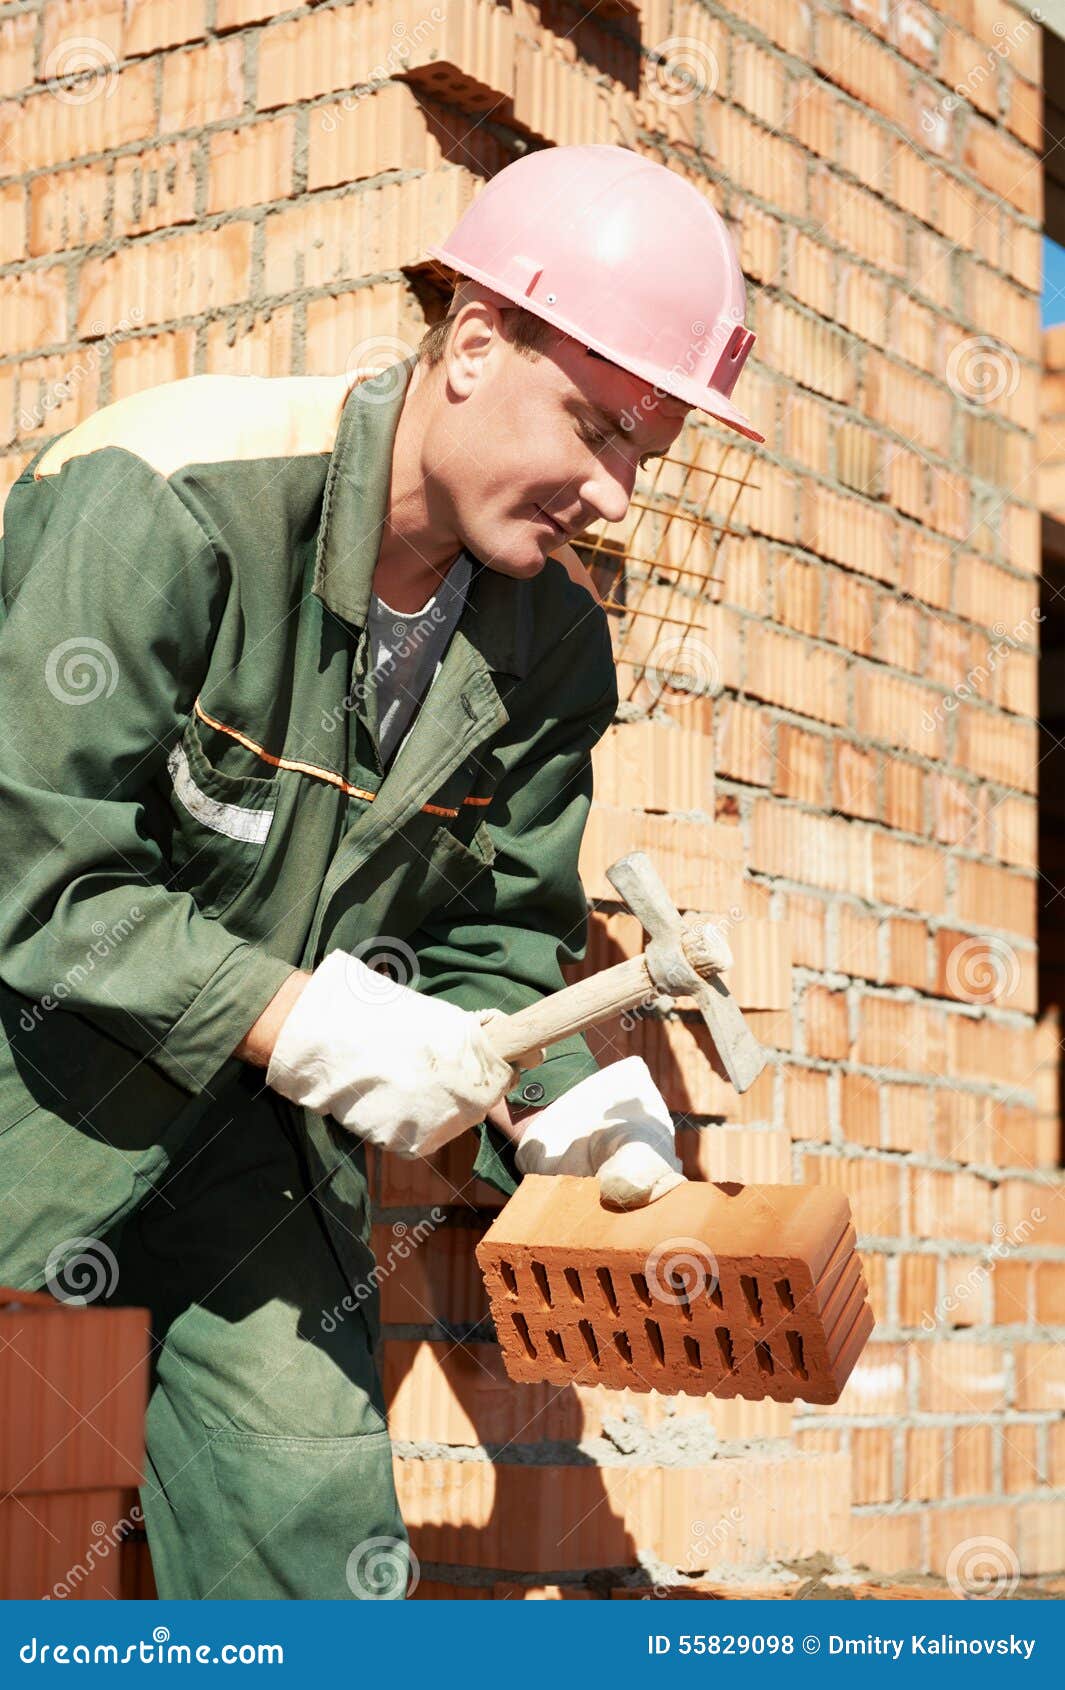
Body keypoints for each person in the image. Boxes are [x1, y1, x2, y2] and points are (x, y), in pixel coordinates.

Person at [0, 144, 761, 1598]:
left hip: (233, 1128)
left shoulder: (549, 654)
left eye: (643, 456)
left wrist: (566, 1106)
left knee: (313, 1522)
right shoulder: (170, 493)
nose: (612, 492)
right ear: (475, 343)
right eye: (597, 426)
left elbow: (494, 939)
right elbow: (33, 876)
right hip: (27, 1054)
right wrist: (305, 1019)